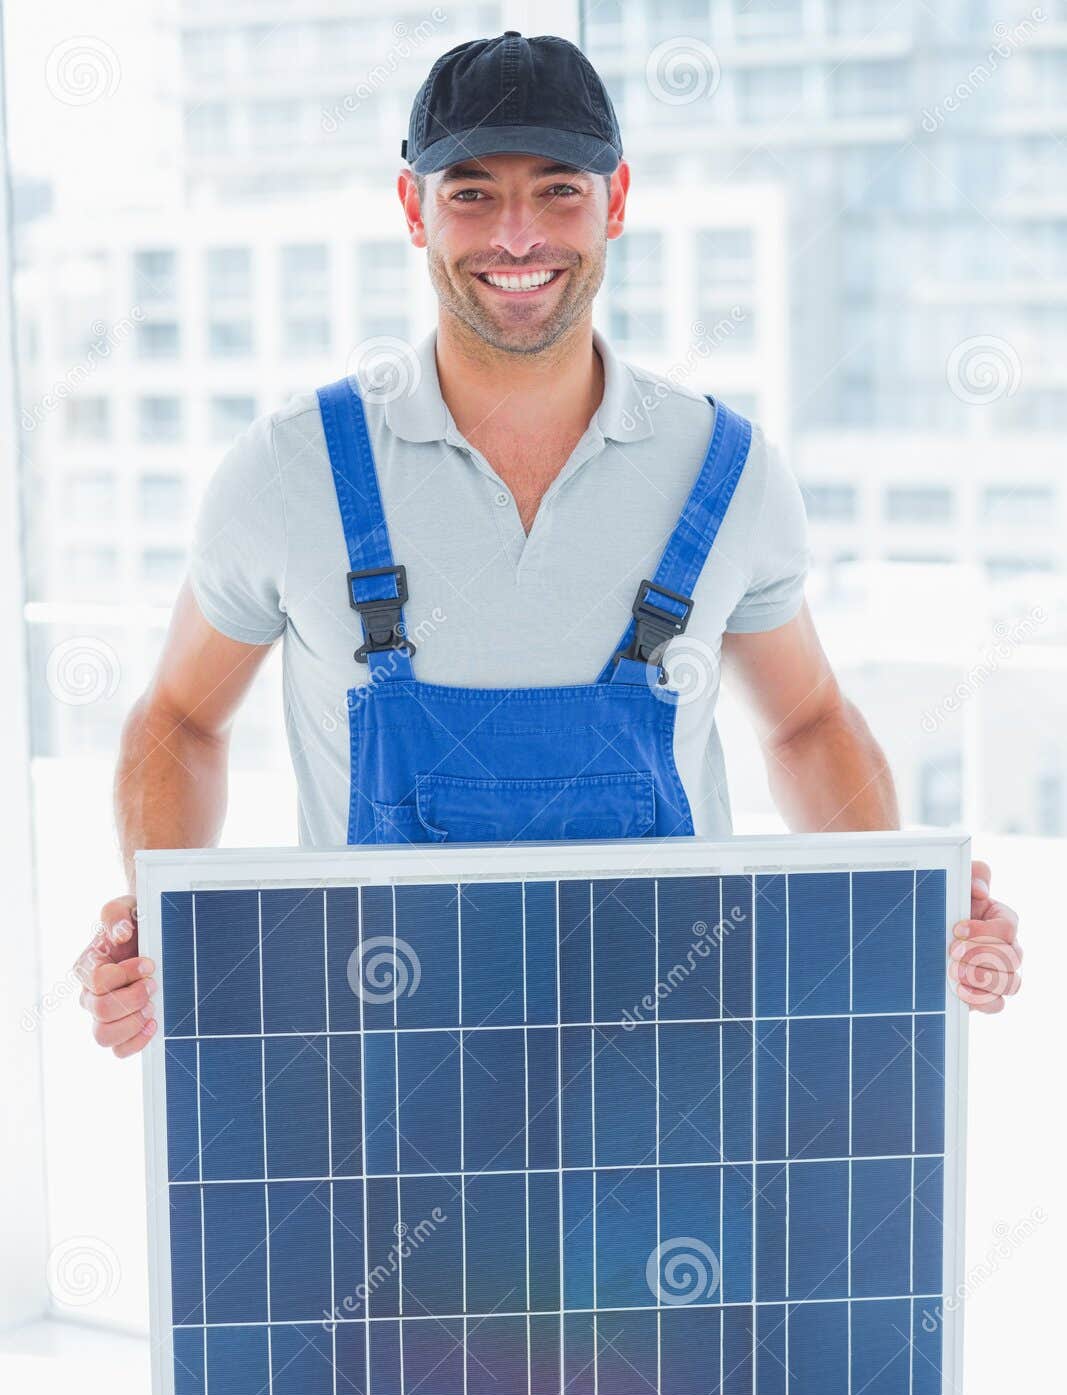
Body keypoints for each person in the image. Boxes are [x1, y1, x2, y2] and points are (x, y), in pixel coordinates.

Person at [75, 30, 1021, 1055]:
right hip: (386, 1079)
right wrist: (152, 929)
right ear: (413, 209)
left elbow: (803, 722)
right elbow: (178, 714)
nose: (517, 237)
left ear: (614, 203)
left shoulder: (727, 471)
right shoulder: (288, 469)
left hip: (669, 1078)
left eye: (558, 190)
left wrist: (900, 905)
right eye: (472, 192)